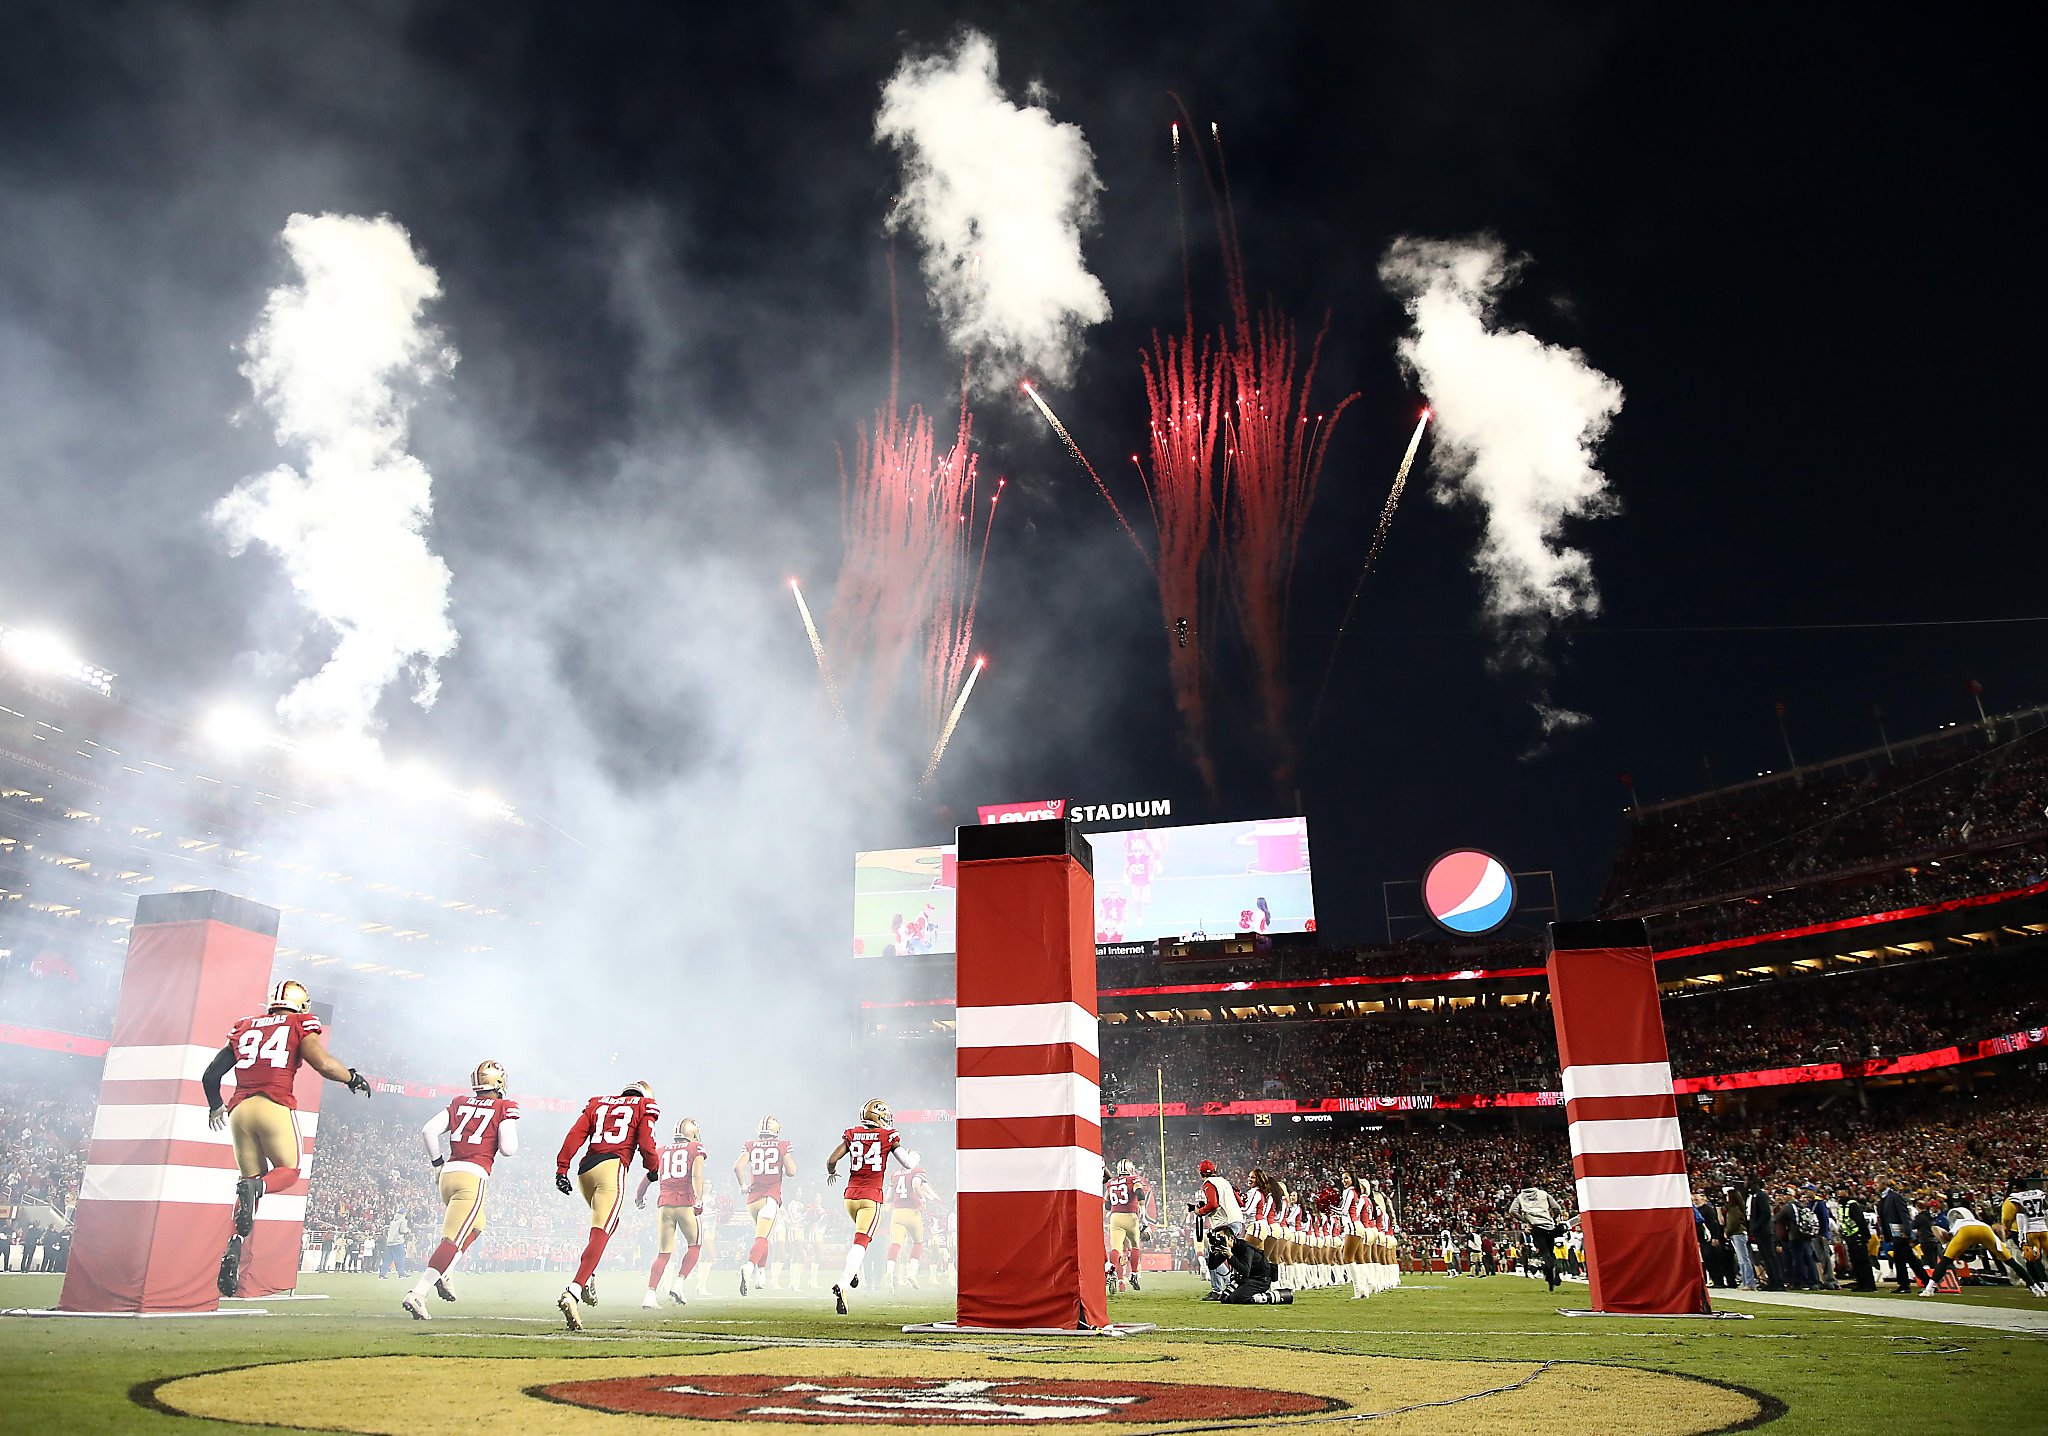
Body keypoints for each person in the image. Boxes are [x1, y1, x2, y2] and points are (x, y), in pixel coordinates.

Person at [202, 979, 372, 1297]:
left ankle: (234, 1245)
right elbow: (321, 1063)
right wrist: (351, 1077)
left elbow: (211, 1075)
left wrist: (215, 1107)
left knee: (247, 1181)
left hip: (239, 1110)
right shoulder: (298, 1022)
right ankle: (260, 1186)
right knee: (288, 1172)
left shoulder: (245, 1026)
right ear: (302, 1005)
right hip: (274, 1104)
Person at [402, 1059, 519, 1319]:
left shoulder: (458, 1103)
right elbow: (508, 1149)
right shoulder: (504, 1106)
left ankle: (447, 1269)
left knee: (477, 1226)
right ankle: (418, 1293)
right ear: (499, 1082)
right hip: (472, 1177)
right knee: (452, 1239)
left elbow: (428, 1130)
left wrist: (437, 1165)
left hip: (448, 1174)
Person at [553, 1079, 661, 1329]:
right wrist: (652, 1168)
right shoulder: (644, 1105)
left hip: (585, 1171)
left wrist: (562, 1167)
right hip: (612, 1168)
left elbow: (575, 1134)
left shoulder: (598, 1103)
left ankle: (588, 1276)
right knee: (601, 1232)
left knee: (606, 1226)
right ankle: (574, 1290)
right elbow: (646, 1143)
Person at [824, 1097, 901, 1314]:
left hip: (850, 1197)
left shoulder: (852, 1133)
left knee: (860, 1239)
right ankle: (843, 1283)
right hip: (871, 1196)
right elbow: (906, 1161)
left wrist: (832, 1173)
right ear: (878, 1116)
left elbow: (831, 1160)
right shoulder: (887, 1135)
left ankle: (852, 1270)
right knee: (862, 1242)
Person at [635, 1115, 705, 1309]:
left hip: (664, 1206)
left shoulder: (662, 1150)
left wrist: (639, 1196)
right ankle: (679, 1284)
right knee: (695, 1245)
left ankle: (650, 1294)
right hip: (685, 1204)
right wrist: (699, 1200)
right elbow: (697, 1174)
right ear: (691, 1133)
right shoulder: (695, 1148)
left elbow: (649, 1177)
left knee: (663, 1253)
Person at [1920, 1194, 2033, 1296]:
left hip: (1965, 1232)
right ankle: (2035, 1287)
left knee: (1945, 1262)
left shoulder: (1957, 1225)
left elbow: (1935, 1228)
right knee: (2011, 1261)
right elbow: (1998, 1227)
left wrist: (1945, 1244)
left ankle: (1929, 1289)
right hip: (1985, 1231)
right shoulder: (1979, 1221)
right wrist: (2002, 1243)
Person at [733, 1116, 794, 1296]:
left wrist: (742, 1185)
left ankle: (761, 1275)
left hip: (753, 1199)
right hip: (770, 1197)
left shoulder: (751, 1145)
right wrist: (781, 1165)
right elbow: (791, 1171)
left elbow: (737, 1167)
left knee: (763, 1235)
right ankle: (750, 1266)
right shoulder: (782, 1145)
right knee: (762, 1237)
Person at [1188, 1159, 1245, 1298]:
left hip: (1225, 1223)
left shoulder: (1209, 1183)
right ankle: (1227, 1283)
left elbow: (1213, 1204)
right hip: (1237, 1220)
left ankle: (1218, 1289)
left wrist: (1199, 1211)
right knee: (1220, 1254)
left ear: (1200, 1172)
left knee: (1212, 1256)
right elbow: (1241, 1202)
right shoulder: (1224, 1181)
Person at [885, 1148, 938, 1291]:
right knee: (918, 1243)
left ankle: (889, 1271)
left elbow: (888, 1198)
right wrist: (923, 1200)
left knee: (896, 1244)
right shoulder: (917, 1171)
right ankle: (911, 1273)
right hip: (912, 1212)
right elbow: (915, 1185)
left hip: (897, 1213)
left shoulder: (894, 1174)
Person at [1507, 1182, 1567, 1292]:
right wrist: (1553, 1218)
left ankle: (1553, 1269)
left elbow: (1512, 1211)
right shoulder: (1543, 1194)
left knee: (1544, 1253)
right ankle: (1552, 1277)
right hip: (1549, 1226)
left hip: (1536, 1228)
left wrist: (1525, 1220)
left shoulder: (1520, 1197)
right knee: (1550, 1251)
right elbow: (1556, 1207)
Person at [1205, 1226, 1291, 1305]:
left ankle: (1269, 1296)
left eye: (1221, 1238)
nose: (1219, 1241)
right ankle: (1249, 1291)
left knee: (1236, 1299)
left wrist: (1230, 1256)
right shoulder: (1227, 1248)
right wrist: (1213, 1253)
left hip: (1260, 1280)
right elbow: (1212, 1266)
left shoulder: (1245, 1248)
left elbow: (1245, 1271)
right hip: (1245, 1279)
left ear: (1231, 1238)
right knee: (1225, 1298)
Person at [1103, 1159, 1150, 1293]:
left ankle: (1112, 1272)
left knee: (1115, 1248)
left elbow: (1107, 1204)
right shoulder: (1133, 1179)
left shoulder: (1111, 1182)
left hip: (1115, 1217)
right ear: (1130, 1169)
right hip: (1130, 1216)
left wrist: (1103, 1217)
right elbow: (1140, 1193)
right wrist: (1143, 1214)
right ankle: (1134, 1274)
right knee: (1135, 1246)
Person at [2000, 1171, 2048, 1295]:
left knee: (2032, 1256)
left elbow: (2006, 1218)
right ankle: (2034, 1282)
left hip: (2022, 1230)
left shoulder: (2013, 1199)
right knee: (2034, 1257)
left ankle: (2041, 1281)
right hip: (2042, 1227)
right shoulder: (2037, 1193)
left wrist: (2006, 1229)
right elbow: (2045, 1206)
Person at [1877, 1177, 1928, 1292]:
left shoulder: (1894, 1197)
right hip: (1894, 1234)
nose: (1875, 1186)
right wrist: (1884, 1233)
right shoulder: (1883, 1199)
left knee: (1902, 1259)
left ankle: (1906, 1285)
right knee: (1909, 1259)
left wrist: (1906, 1231)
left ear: (1883, 1183)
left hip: (1900, 1234)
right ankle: (1925, 1282)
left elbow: (1904, 1215)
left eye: (1876, 1184)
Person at [1836, 1184, 1878, 1291]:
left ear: (1846, 1191)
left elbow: (1860, 1221)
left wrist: (1864, 1236)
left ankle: (1869, 1285)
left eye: (1841, 1190)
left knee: (1863, 1261)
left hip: (1857, 1236)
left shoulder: (1852, 1204)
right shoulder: (1842, 1206)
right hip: (1850, 1236)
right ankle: (1860, 1283)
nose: (1839, 1193)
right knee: (1855, 1262)